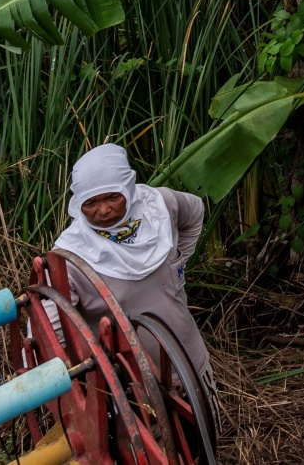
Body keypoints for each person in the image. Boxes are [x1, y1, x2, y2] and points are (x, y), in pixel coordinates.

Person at [53, 144, 214, 399]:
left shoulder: (159, 207)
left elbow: (195, 213)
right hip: (133, 391)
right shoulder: (71, 256)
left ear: (128, 188)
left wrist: (178, 264)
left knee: (206, 424)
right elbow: (52, 332)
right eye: (90, 202)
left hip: (191, 362)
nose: (103, 210)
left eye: (112, 197)